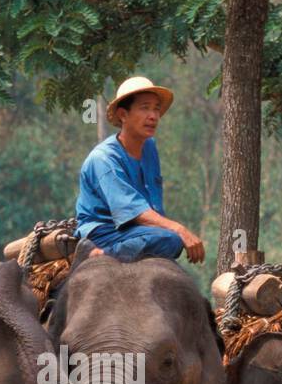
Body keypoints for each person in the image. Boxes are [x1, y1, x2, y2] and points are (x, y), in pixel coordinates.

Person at [73, 76, 204, 264]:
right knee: (171, 239)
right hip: (104, 232)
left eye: (156, 108)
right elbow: (132, 211)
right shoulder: (104, 158)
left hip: (134, 231)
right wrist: (179, 229)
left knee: (168, 241)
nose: (153, 116)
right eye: (145, 108)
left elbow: (153, 206)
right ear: (123, 115)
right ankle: (101, 256)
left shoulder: (149, 146)